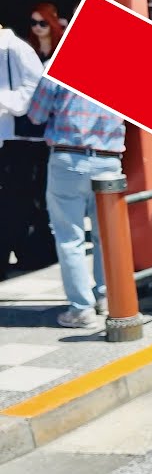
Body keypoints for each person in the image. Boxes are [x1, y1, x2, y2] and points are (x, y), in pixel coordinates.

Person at [25, 67, 128, 327]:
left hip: (68, 158)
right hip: (109, 160)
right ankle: (106, 297)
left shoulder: (58, 67)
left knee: (70, 237)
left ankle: (81, 309)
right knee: (106, 235)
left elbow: (35, 115)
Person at [0, 19, 50, 280]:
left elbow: (33, 91)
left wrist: (4, 100)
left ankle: (27, 253)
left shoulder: (16, 49)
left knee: (16, 203)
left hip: (19, 141)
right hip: (8, 139)